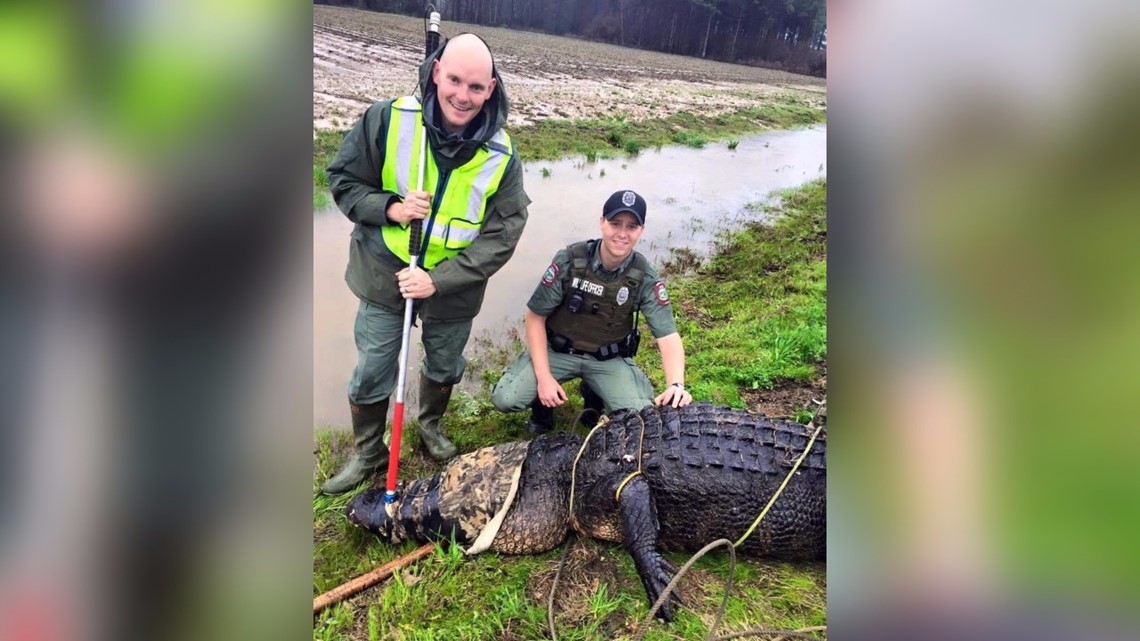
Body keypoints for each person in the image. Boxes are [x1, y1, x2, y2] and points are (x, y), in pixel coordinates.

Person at [321, 34, 530, 494]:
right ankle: (369, 452)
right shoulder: (389, 119)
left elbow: (504, 231)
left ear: (491, 88)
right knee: (374, 367)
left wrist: (439, 280)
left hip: (453, 286)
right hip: (385, 268)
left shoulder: (502, 153)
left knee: (444, 364)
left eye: (476, 87)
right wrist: (390, 208)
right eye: (454, 80)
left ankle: (430, 427)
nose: (462, 95)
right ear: (436, 72)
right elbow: (342, 179)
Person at [491, 190, 692, 431]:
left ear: (641, 231)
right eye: (615, 223)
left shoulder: (644, 277)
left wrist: (676, 385)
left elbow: (668, 336)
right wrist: (544, 379)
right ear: (602, 222)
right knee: (506, 398)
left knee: (642, 419)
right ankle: (542, 408)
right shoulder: (570, 260)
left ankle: (594, 391)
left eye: (632, 227)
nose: (622, 234)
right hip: (559, 351)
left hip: (607, 358)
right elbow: (535, 317)